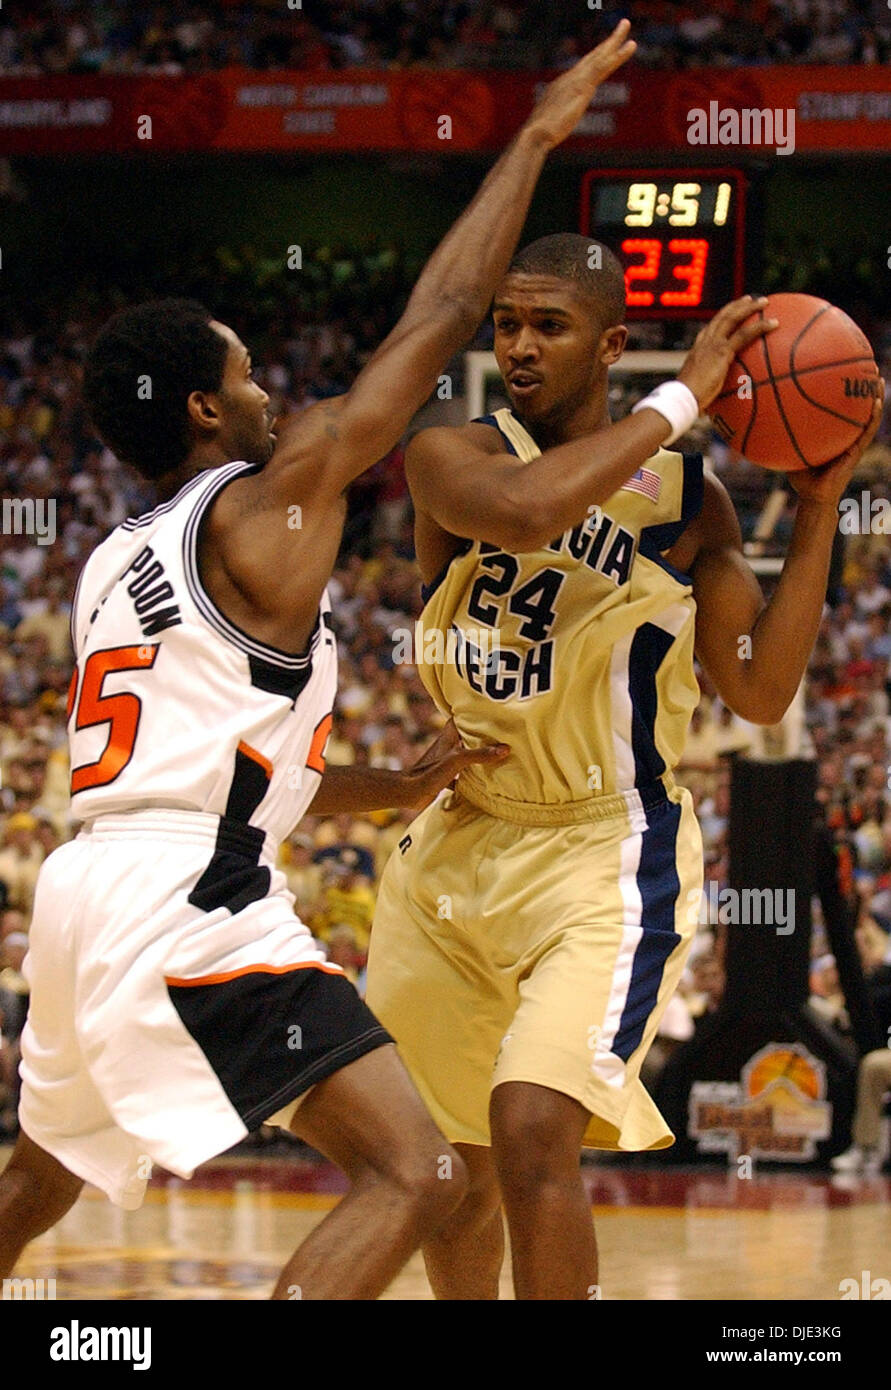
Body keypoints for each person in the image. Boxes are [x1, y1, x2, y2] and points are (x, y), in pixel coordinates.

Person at [0, 22, 638, 1302]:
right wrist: (537, 135)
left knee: (36, 1176)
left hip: (85, 896)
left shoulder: (111, 557)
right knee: (422, 1176)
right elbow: (446, 314)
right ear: (201, 410)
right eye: (246, 373)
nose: (270, 391)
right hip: (189, 900)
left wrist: (385, 792)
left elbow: (205, 764)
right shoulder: (264, 501)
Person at [365, 233, 885, 1299]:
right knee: (447, 1160)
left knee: (532, 1123)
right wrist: (684, 398)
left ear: (612, 345)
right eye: (506, 323)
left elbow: (760, 688)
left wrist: (823, 504)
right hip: (459, 842)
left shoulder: (690, 503)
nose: (517, 346)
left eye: (548, 327)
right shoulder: (449, 453)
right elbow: (526, 512)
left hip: (607, 846)